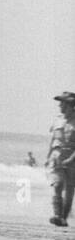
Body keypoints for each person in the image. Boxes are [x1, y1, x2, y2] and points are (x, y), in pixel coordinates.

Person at [46, 91, 75, 227]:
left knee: (69, 190)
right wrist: (48, 157)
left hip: (72, 160)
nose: (59, 106)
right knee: (57, 185)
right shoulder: (57, 120)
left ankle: (63, 218)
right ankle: (57, 215)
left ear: (69, 104)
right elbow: (53, 140)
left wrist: (70, 159)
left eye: (62, 103)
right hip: (56, 158)